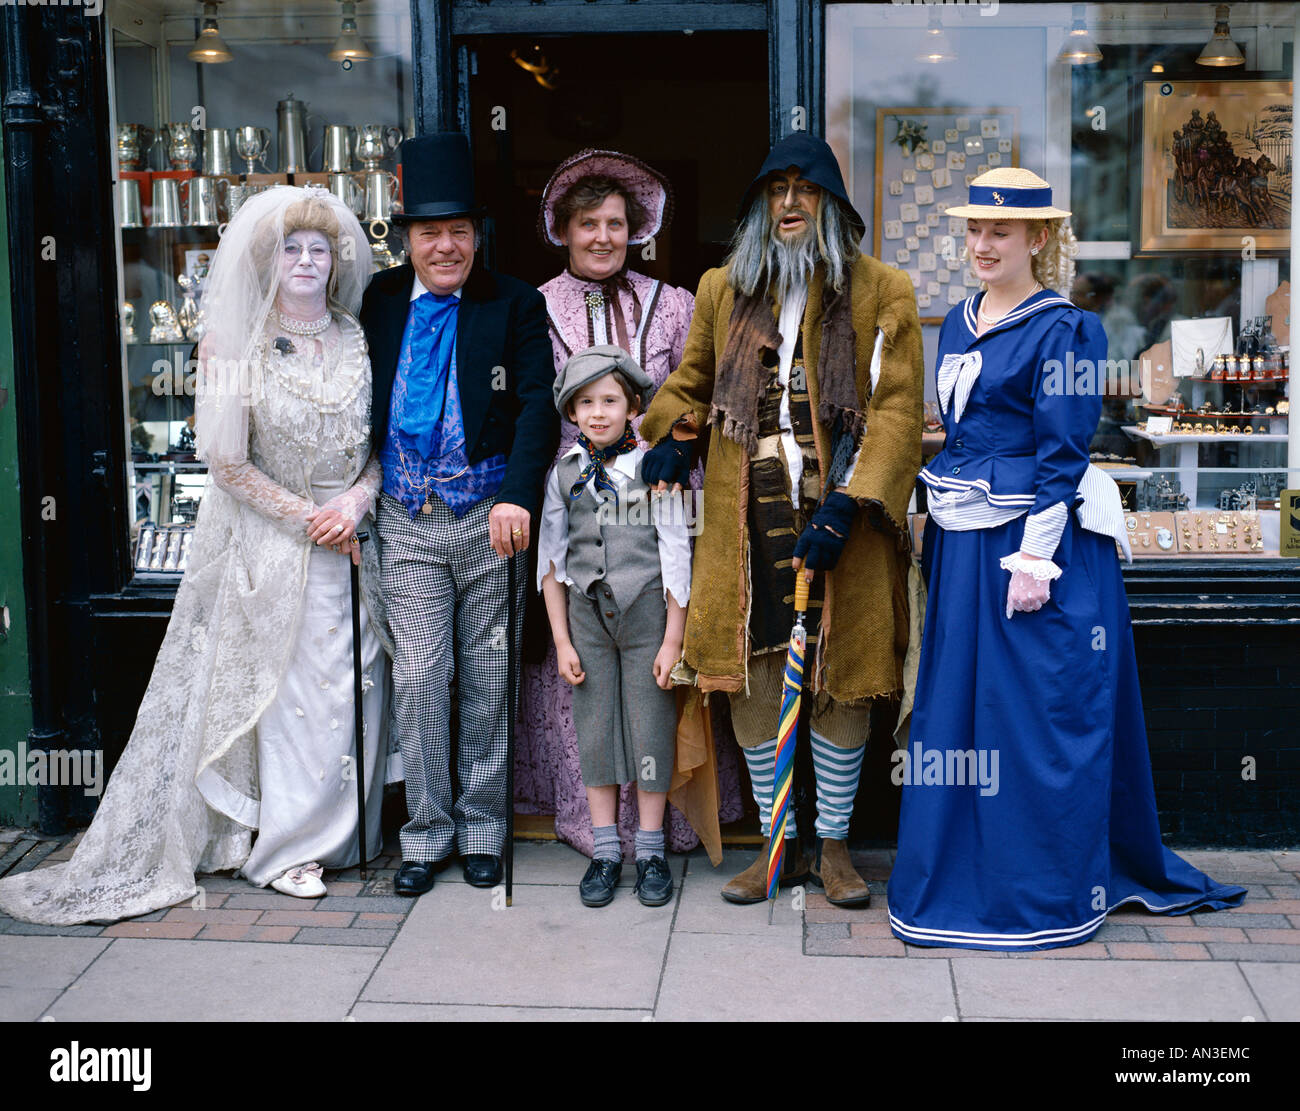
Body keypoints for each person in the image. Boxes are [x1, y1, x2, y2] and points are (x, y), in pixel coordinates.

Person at [0, 185, 391, 923]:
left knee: (355, 688)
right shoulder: (238, 344)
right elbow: (226, 462)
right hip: (274, 546)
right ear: (266, 259)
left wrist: (357, 501)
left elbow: (376, 448)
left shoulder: (355, 333)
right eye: (291, 248)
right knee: (294, 699)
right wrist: (311, 517)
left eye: (319, 248)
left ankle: (348, 834)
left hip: (353, 540)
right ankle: (286, 846)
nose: (307, 260)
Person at [888, 168, 1246, 950]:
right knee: (959, 714)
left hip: (1032, 547)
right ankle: (959, 874)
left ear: (1039, 239)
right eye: (976, 230)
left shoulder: (1067, 330)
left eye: (1002, 232)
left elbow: (1062, 453)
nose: (983, 244)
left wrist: (1034, 559)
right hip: (963, 536)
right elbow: (961, 432)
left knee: (1032, 717)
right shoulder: (955, 319)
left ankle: (1038, 889)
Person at [639, 134, 924, 907]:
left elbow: (898, 408)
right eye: (776, 190)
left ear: (830, 204)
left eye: (805, 189)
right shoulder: (725, 287)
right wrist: (672, 433)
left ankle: (832, 849)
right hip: (743, 524)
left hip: (843, 526)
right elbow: (691, 382)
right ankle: (776, 847)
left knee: (842, 683)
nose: (790, 204)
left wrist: (850, 502)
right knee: (755, 682)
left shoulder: (880, 288)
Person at [517, 147, 743, 857]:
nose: (604, 237)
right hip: (575, 501)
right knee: (582, 675)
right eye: (589, 223)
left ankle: (665, 823)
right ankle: (597, 827)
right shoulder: (536, 306)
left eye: (616, 223)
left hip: (659, 504)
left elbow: (699, 392)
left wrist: (674, 442)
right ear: (563, 228)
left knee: (659, 664)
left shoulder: (673, 303)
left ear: (634, 228)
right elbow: (530, 406)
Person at [359, 132, 559, 897]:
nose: (445, 247)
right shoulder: (378, 301)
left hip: (487, 517)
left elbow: (539, 404)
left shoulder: (514, 302)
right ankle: (425, 831)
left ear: (477, 236)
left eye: (459, 232)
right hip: (407, 514)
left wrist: (517, 494)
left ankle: (481, 826)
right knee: (417, 673)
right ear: (406, 238)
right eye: (430, 232)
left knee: (488, 673)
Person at [537, 345, 691, 907]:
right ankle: (606, 851)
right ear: (572, 413)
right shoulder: (563, 475)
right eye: (585, 403)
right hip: (586, 617)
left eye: (610, 400)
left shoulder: (655, 469)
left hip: (648, 611)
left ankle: (650, 849)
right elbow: (550, 561)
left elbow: (676, 553)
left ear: (632, 406)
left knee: (650, 726)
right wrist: (561, 640)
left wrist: (674, 636)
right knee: (596, 728)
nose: (598, 412)